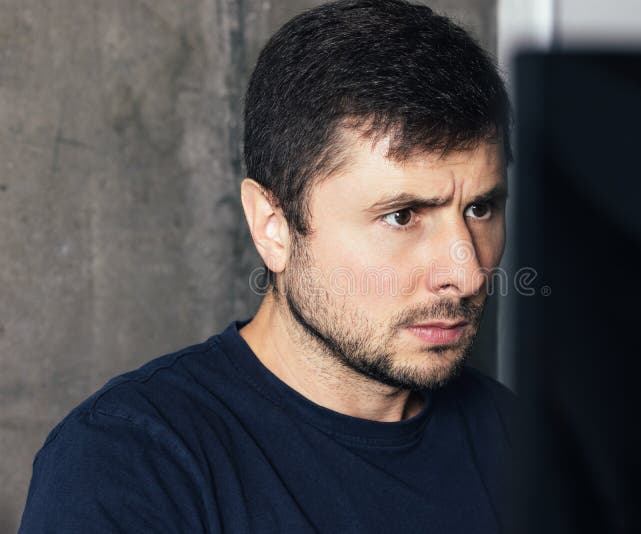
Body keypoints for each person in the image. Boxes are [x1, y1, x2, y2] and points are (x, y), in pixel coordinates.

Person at [19, 0, 516, 532]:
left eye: (480, 208)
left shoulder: (519, 440)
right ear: (272, 226)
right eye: (402, 215)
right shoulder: (129, 464)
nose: (466, 274)